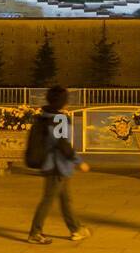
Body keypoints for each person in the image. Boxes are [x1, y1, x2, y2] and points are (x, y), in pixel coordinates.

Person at [27, 86, 92, 244]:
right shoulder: (59, 119)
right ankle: (35, 232)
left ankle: (76, 229)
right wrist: (79, 162)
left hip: (54, 164)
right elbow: (63, 144)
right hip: (57, 166)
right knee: (48, 199)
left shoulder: (45, 116)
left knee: (65, 199)